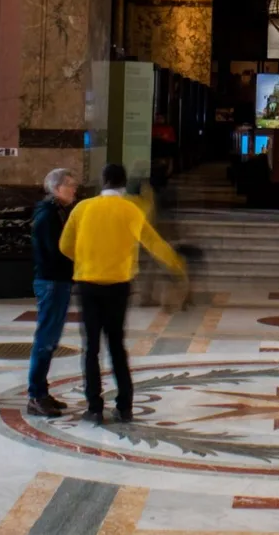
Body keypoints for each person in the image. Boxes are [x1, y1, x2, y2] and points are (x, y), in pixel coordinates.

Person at [59, 163, 185, 423]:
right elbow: (153, 243)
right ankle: (124, 406)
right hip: (119, 285)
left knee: (91, 348)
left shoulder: (82, 208)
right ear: (123, 184)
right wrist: (176, 265)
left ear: (102, 181)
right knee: (116, 345)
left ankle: (94, 408)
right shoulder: (131, 210)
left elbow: (65, 245)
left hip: (88, 284)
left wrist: (85, 261)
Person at [25, 167, 78, 417]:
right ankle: (36, 396)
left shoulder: (56, 211)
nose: (74, 188)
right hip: (52, 282)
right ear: (57, 188)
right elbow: (56, 253)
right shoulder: (48, 215)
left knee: (50, 339)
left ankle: (42, 392)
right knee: (45, 340)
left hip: (57, 281)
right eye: (69, 184)